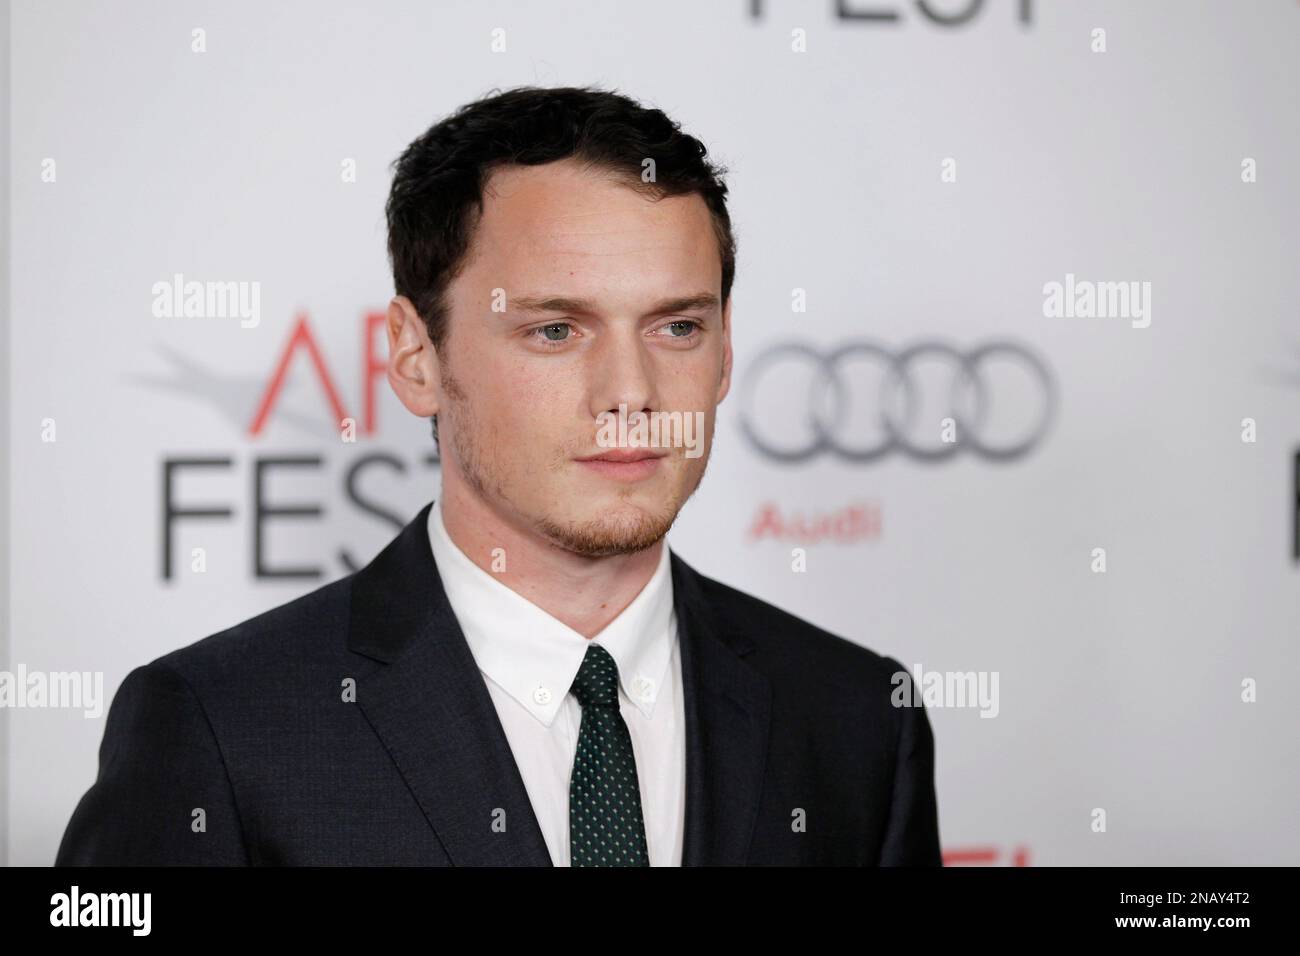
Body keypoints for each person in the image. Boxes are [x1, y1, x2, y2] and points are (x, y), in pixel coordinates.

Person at [55, 85, 941, 866]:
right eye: (556, 331)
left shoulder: (858, 716)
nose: (630, 395)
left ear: (724, 352)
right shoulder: (220, 727)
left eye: (677, 327)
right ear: (414, 357)